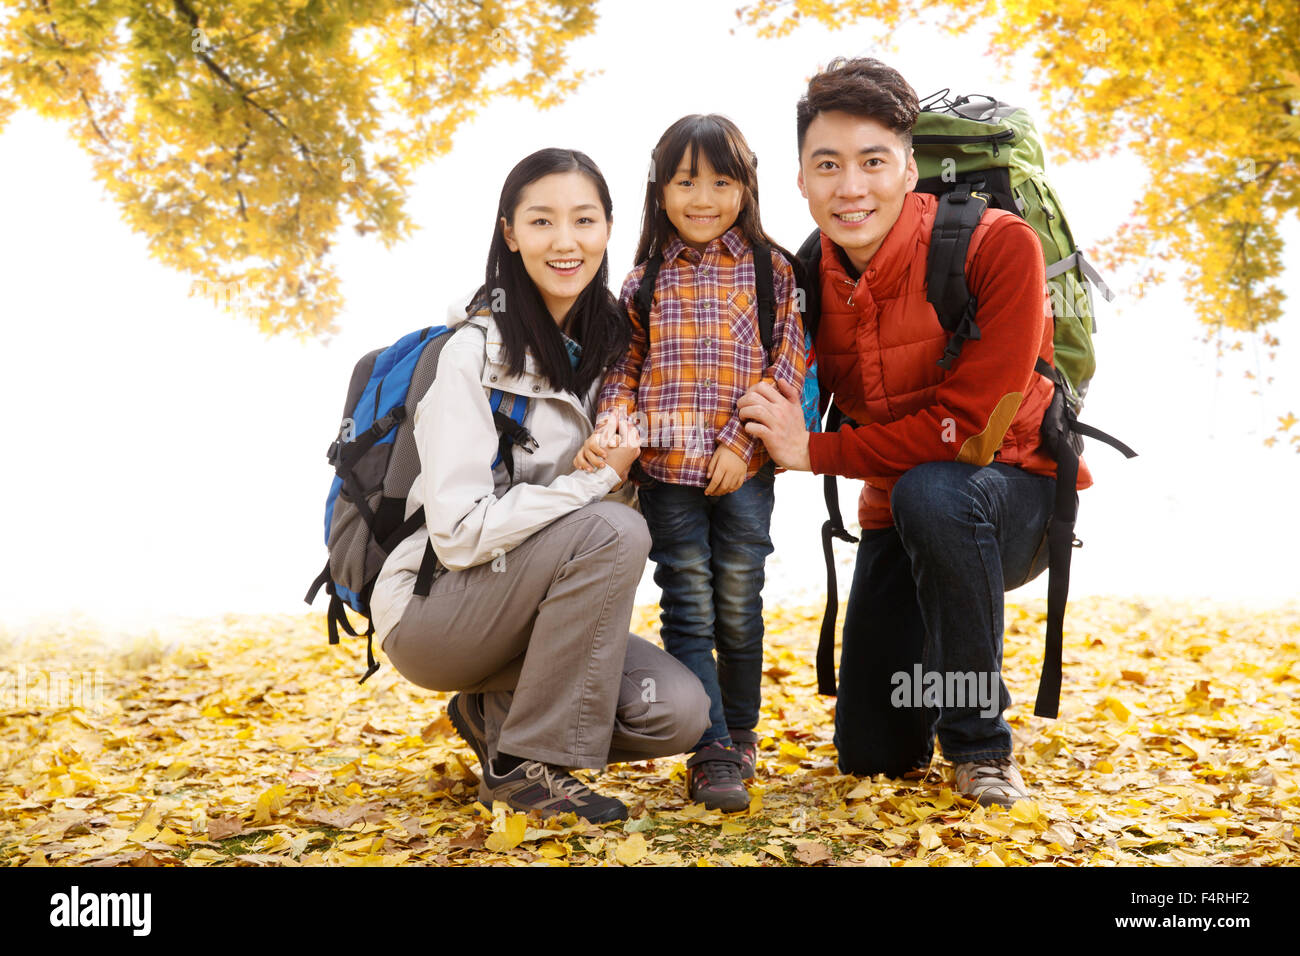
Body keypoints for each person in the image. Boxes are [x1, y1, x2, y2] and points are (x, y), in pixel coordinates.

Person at [739, 58, 1090, 807]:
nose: (851, 187)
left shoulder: (997, 246)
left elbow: (969, 431)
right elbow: (770, 396)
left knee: (936, 492)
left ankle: (980, 746)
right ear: (799, 179)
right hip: (897, 512)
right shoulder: (800, 278)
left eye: (873, 162)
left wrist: (818, 453)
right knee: (875, 753)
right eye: (826, 165)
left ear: (909, 168)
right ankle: (937, 666)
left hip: (1011, 497)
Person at [369, 148, 711, 823]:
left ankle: (493, 717)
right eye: (542, 221)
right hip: (437, 613)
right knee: (615, 527)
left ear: (608, 229)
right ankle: (527, 770)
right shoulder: (472, 355)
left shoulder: (618, 351)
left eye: (584, 220)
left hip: (530, 628)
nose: (565, 241)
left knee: (677, 713)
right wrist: (593, 488)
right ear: (510, 233)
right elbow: (462, 534)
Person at [576, 115, 806, 812]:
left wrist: (745, 447)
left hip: (743, 477)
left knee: (738, 603)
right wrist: (616, 424)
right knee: (689, 605)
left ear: (746, 186)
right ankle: (710, 750)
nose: (703, 197)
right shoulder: (644, 281)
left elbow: (789, 364)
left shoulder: (772, 270)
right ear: (661, 190)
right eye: (685, 182)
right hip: (667, 477)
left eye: (721, 180)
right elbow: (626, 366)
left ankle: (741, 733)